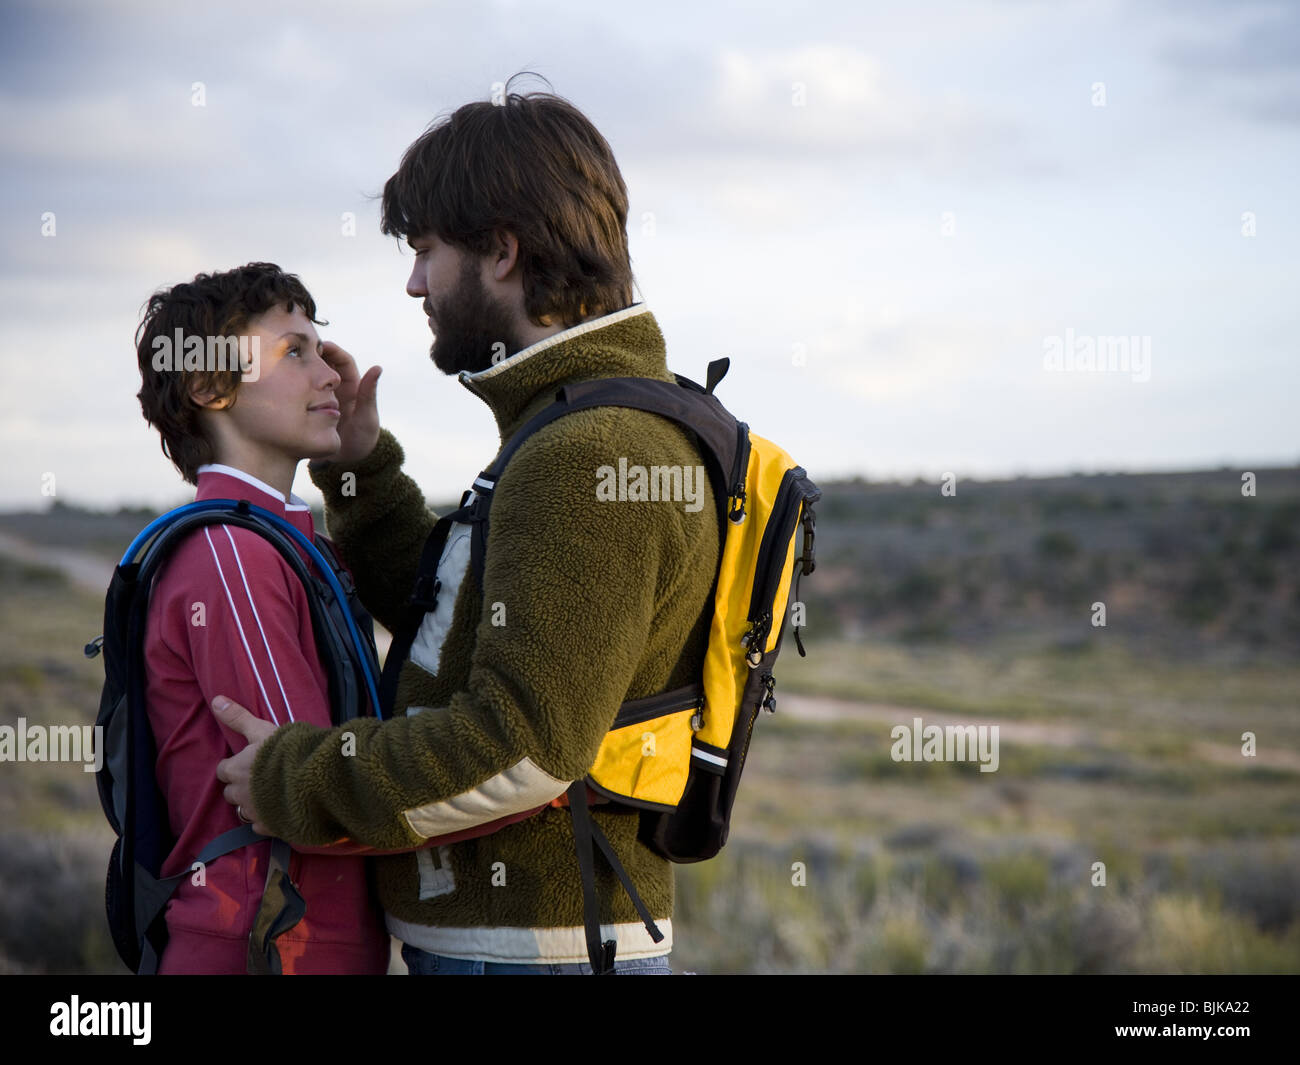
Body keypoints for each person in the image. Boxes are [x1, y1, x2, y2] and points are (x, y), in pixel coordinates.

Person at [214, 81, 720, 975]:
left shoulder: (587, 452)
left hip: (534, 954)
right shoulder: (575, 427)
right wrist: (365, 468)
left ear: (501, 252)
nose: (413, 283)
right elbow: (456, 626)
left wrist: (294, 779)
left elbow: (522, 741)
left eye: (425, 251)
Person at [134, 262, 393, 974]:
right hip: (264, 945)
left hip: (301, 939)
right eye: (294, 352)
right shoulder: (230, 553)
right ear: (210, 386)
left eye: (321, 349)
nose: (332, 375)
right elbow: (312, 786)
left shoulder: (282, 543)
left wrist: (362, 463)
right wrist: (531, 787)